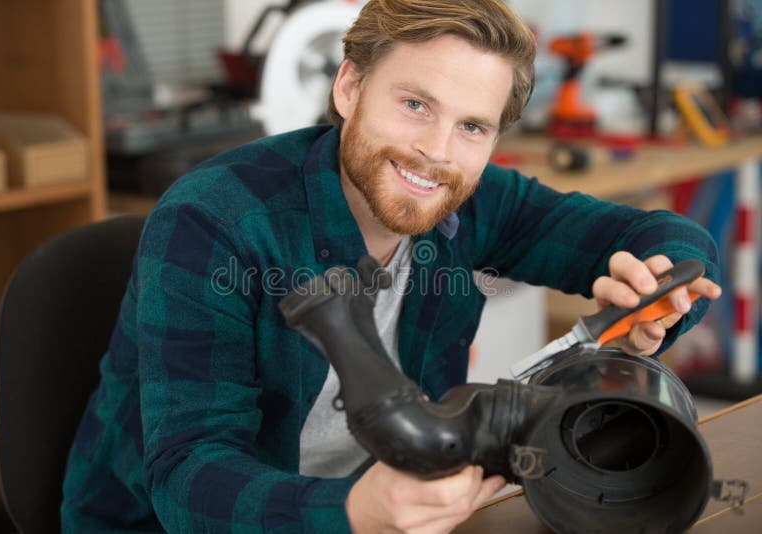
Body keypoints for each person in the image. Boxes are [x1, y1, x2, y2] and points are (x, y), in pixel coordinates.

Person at [61, 0, 722, 532]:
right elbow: (187, 478)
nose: (437, 152)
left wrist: (657, 292)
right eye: (415, 105)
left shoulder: (476, 199)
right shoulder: (213, 221)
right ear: (350, 87)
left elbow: (668, 239)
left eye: (472, 126)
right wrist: (352, 514)